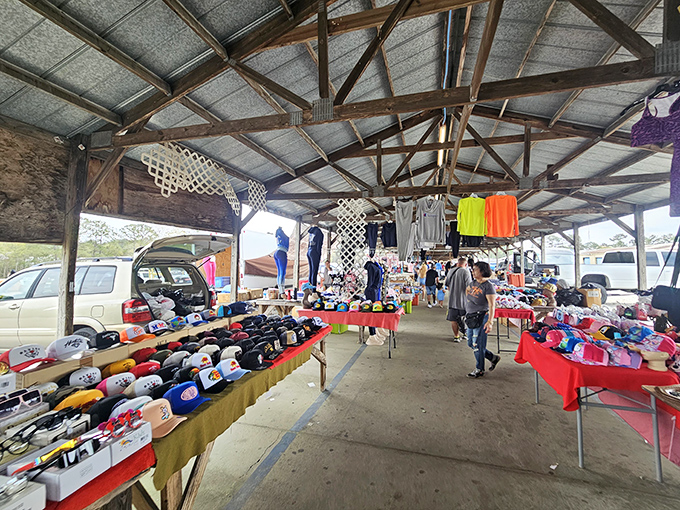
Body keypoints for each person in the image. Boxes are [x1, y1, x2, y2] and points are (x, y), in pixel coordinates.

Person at [465, 261, 500, 378]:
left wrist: (490, 321)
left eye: (475, 269)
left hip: (482, 317)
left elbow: (491, 305)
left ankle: (479, 369)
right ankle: (492, 357)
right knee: (471, 343)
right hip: (471, 317)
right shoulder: (473, 283)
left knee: (477, 344)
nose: (473, 272)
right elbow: (467, 292)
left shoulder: (488, 286)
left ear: (482, 271)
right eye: (473, 269)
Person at [445, 257, 472, 342]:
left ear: (457, 263)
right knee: (465, 318)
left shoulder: (451, 271)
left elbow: (447, 285)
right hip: (463, 301)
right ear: (466, 264)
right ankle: (465, 333)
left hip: (452, 301)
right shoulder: (466, 272)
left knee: (453, 320)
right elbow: (469, 287)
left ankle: (456, 336)